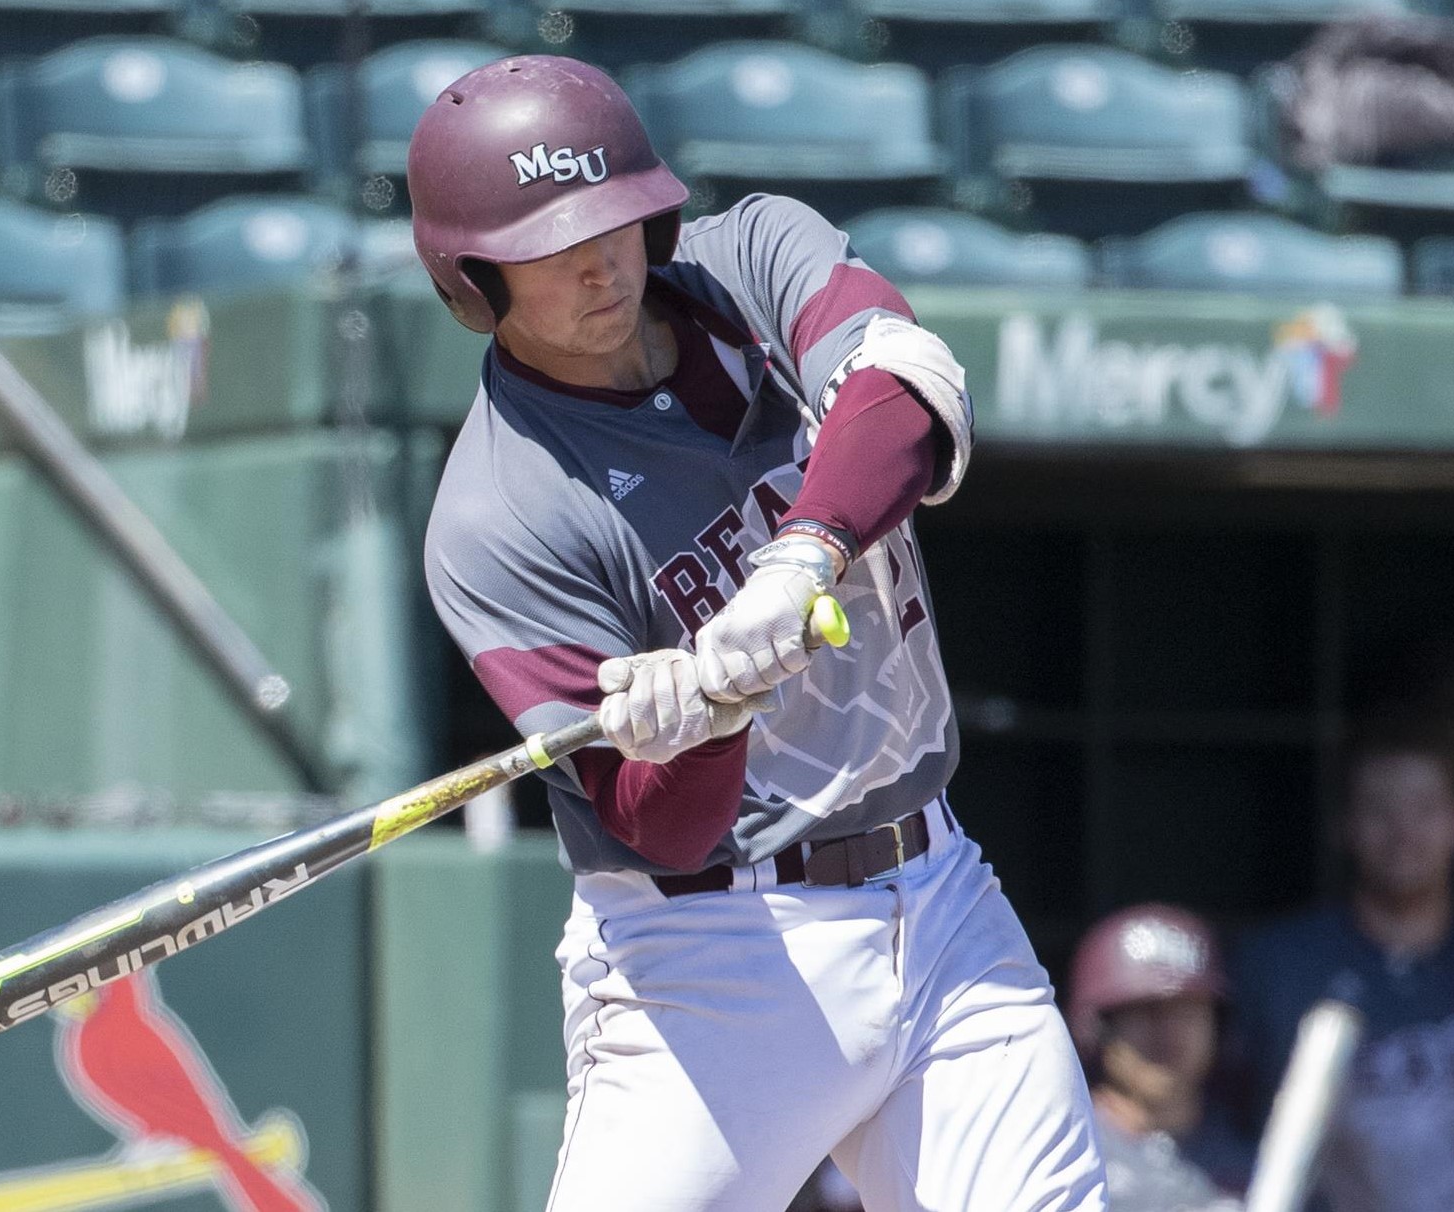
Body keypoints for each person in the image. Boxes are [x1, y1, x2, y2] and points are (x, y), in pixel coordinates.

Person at [408, 55, 1105, 1212]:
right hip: (712, 963)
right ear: (473, 278)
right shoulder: (498, 514)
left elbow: (909, 389)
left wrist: (796, 559)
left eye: (617, 219)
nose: (600, 262)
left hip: (936, 899)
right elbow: (660, 833)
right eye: (548, 246)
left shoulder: (748, 259)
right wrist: (697, 728)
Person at [1223, 728, 1454, 1212]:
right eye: (1379, 809)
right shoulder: (1278, 969)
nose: (1403, 830)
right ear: (1345, 825)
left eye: (1425, 808)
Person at [1070, 905, 1249, 1212]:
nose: (1169, 1031)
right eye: (1146, 1010)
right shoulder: (1064, 1153)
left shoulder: (1254, 1161)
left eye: (1187, 1010)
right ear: (1098, 1028)